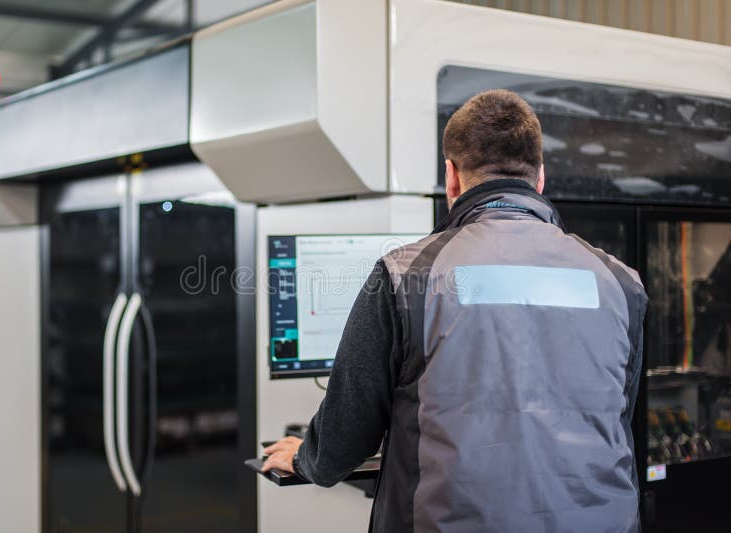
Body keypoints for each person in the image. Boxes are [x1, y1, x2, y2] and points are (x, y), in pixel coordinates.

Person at [262, 89, 647, 532]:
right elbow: (619, 418)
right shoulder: (620, 282)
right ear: (540, 178)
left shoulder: (407, 276)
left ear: (451, 177)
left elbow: (345, 436)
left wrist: (307, 458)